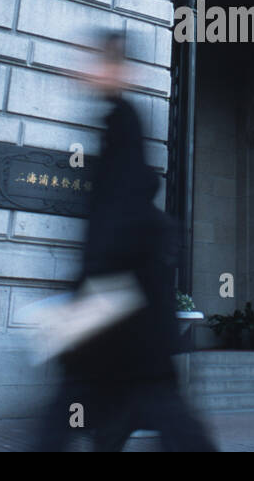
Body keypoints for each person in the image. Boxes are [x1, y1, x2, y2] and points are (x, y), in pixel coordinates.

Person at [32, 31, 216, 452]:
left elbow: (123, 212)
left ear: (117, 69)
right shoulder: (116, 121)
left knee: (98, 405)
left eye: (94, 61)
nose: (82, 70)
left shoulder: (123, 122)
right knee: (127, 406)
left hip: (117, 305)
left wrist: (88, 292)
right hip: (126, 310)